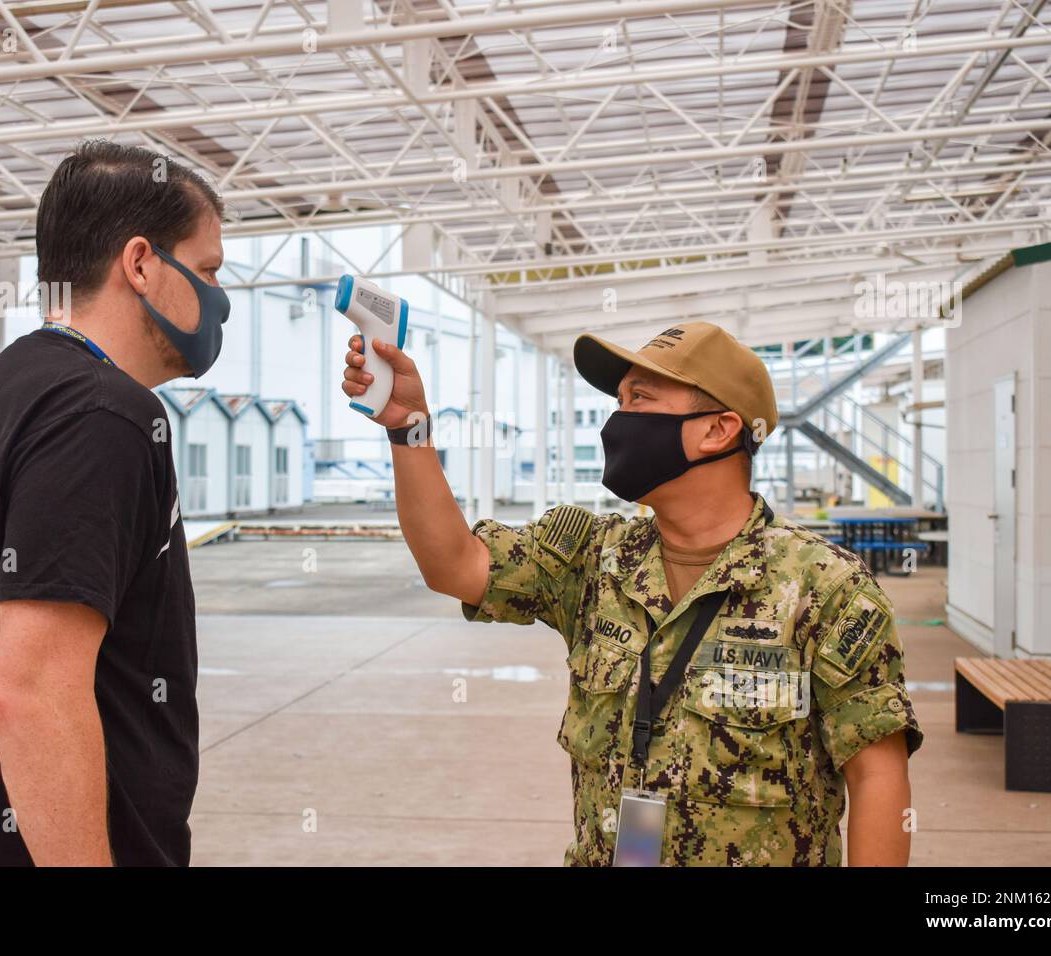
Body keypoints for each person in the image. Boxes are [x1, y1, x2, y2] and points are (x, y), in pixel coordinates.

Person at [342, 320, 923, 866]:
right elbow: (454, 565)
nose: (618, 421)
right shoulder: (593, 558)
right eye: (618, 401)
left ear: (718, 430)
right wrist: (408, 428)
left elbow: (876, 774)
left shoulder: (825, 587)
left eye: (640, 399)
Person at [0, 140, 229, 865]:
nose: (216, 300)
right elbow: (30, 692)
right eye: (206, 271)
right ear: (140, 264)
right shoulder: (104, 416)